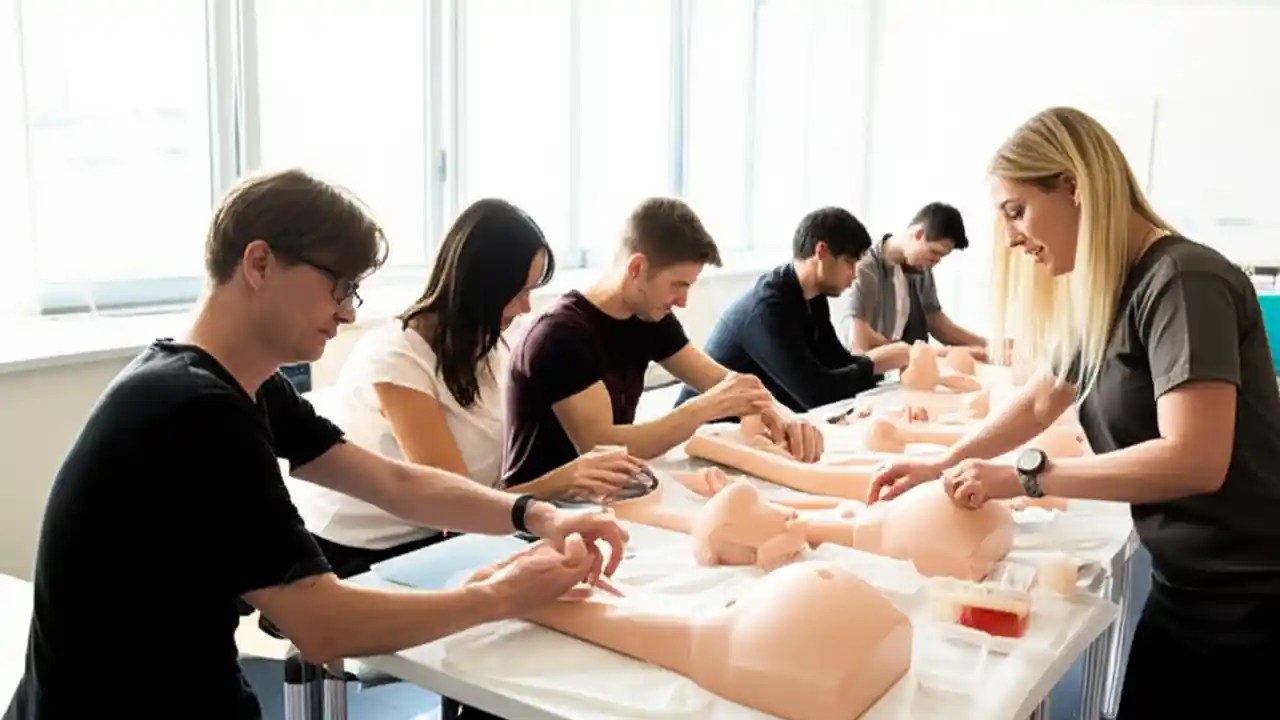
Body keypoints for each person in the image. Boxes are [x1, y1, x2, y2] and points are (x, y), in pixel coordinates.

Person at [3, 169, 627, 720]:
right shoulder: (195, 413)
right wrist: (500, 597)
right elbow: (322, 626)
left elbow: (392, 481)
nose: (348, 313)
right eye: (339, 287)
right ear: (259, 264)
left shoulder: (233, 382)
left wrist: (533, 514)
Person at [868, 107, 1280, 716]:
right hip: (1187, 580)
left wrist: (1024, 479)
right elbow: (1040, 399)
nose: (1010, 237)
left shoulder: (1181, 281)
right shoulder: (1111, 293)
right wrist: (941, 464)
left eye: (1017, 211)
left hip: (1250, 596)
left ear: (1074, 186)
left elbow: (1195, 458)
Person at [289, 198, 647, 580]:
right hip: (368, 552)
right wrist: (559, 483)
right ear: (482, 287)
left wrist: (568, 483)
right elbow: (449, 507)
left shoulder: (493, 347)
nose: (527, 307)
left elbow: (498, 480)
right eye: (519, 292)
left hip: (452, 532)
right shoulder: (397, 357)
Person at [502, 197, 825, 491]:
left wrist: (783, 416)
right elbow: (602, 446)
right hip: (537, 511)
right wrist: (705, 408)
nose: (682, 301)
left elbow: (725, 381)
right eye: (677, 285)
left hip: (600, 497)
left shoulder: (648, 317)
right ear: (637, 268)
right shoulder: (561, 334)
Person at [672, 206, 910, 413]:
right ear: (821, 252)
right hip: (708, 433)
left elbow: (837, 363)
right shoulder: (768, 307)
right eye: (850, 261)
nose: (855, 273)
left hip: (757, 426)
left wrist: (882, 363)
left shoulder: (813, 297)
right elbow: (817, 394)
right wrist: (877, 362)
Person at [835, 201, 989, 357]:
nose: (936, 261)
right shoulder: (865, 266)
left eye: (942, 256)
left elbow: (935, 321)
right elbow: (859, 340)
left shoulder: (921, 269)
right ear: (918, 234)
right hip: (868, 371)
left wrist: (991, 346)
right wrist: (924, 353)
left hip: (902, 369)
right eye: (934, 252)